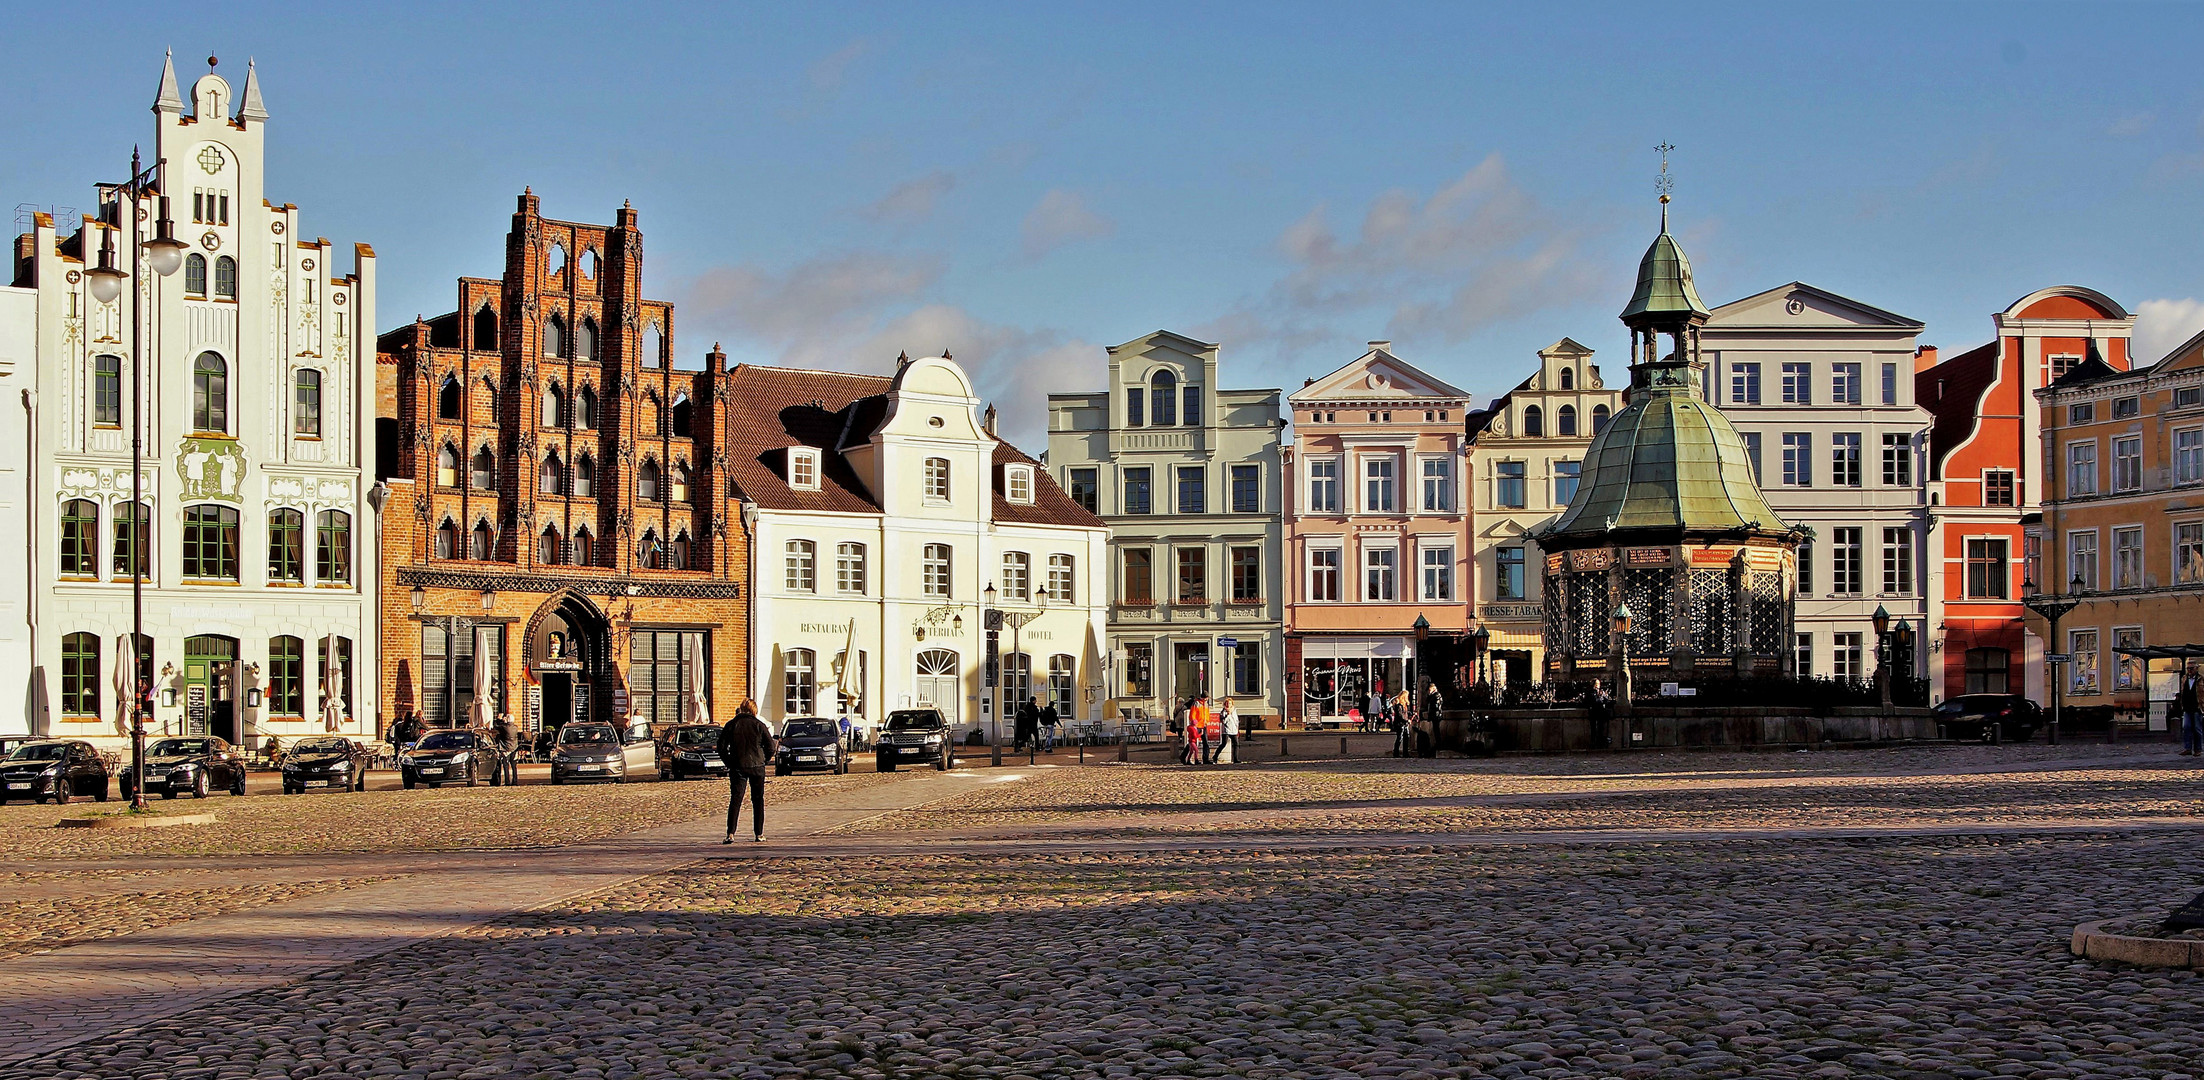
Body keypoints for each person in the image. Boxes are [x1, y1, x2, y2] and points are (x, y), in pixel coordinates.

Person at [718, 700, 776, 843]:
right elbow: (771, 747)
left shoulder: (731, 725)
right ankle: (759, 833)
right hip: (757, 766)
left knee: (736, 799)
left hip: (737, 766)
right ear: (754, 710)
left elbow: (721, 747)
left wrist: (729, 762)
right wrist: (763, 760)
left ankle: (730, 833)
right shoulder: (759, 725)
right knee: (758, 800)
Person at [491, 714, 521, 785]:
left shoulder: (504, 727)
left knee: (505, 765)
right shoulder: (515, 727)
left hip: (505, 748)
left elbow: (495, 726)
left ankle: (507, 781)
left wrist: (499, 719)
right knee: (514, 766)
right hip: (514, 748)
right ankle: (515, 781)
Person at [2181, 666, 2203, 756]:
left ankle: (2198, 749)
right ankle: (2188, 748)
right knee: (2186, 727)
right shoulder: (2184, 678)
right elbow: (2183, 692)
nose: (2189, 670)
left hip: (2197, 707)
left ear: (2196, 669)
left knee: (2197, 729)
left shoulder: (2201, 679)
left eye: (2191, 668)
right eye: (2188, 668)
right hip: (2187, 708)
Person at [1216, 699, 1239, 765]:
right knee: (1223, 744)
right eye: (1227, 703)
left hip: (1234, 729)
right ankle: (1215, 756)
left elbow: (1236, 720)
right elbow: (1223, 721)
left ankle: (1235, 759)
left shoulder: (1234, 710)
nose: (1228, 705)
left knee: (1236, 744)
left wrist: (1237, 729)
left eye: (1230, 703)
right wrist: (1228, 715)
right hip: (1226, 730)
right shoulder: (1223, 711)